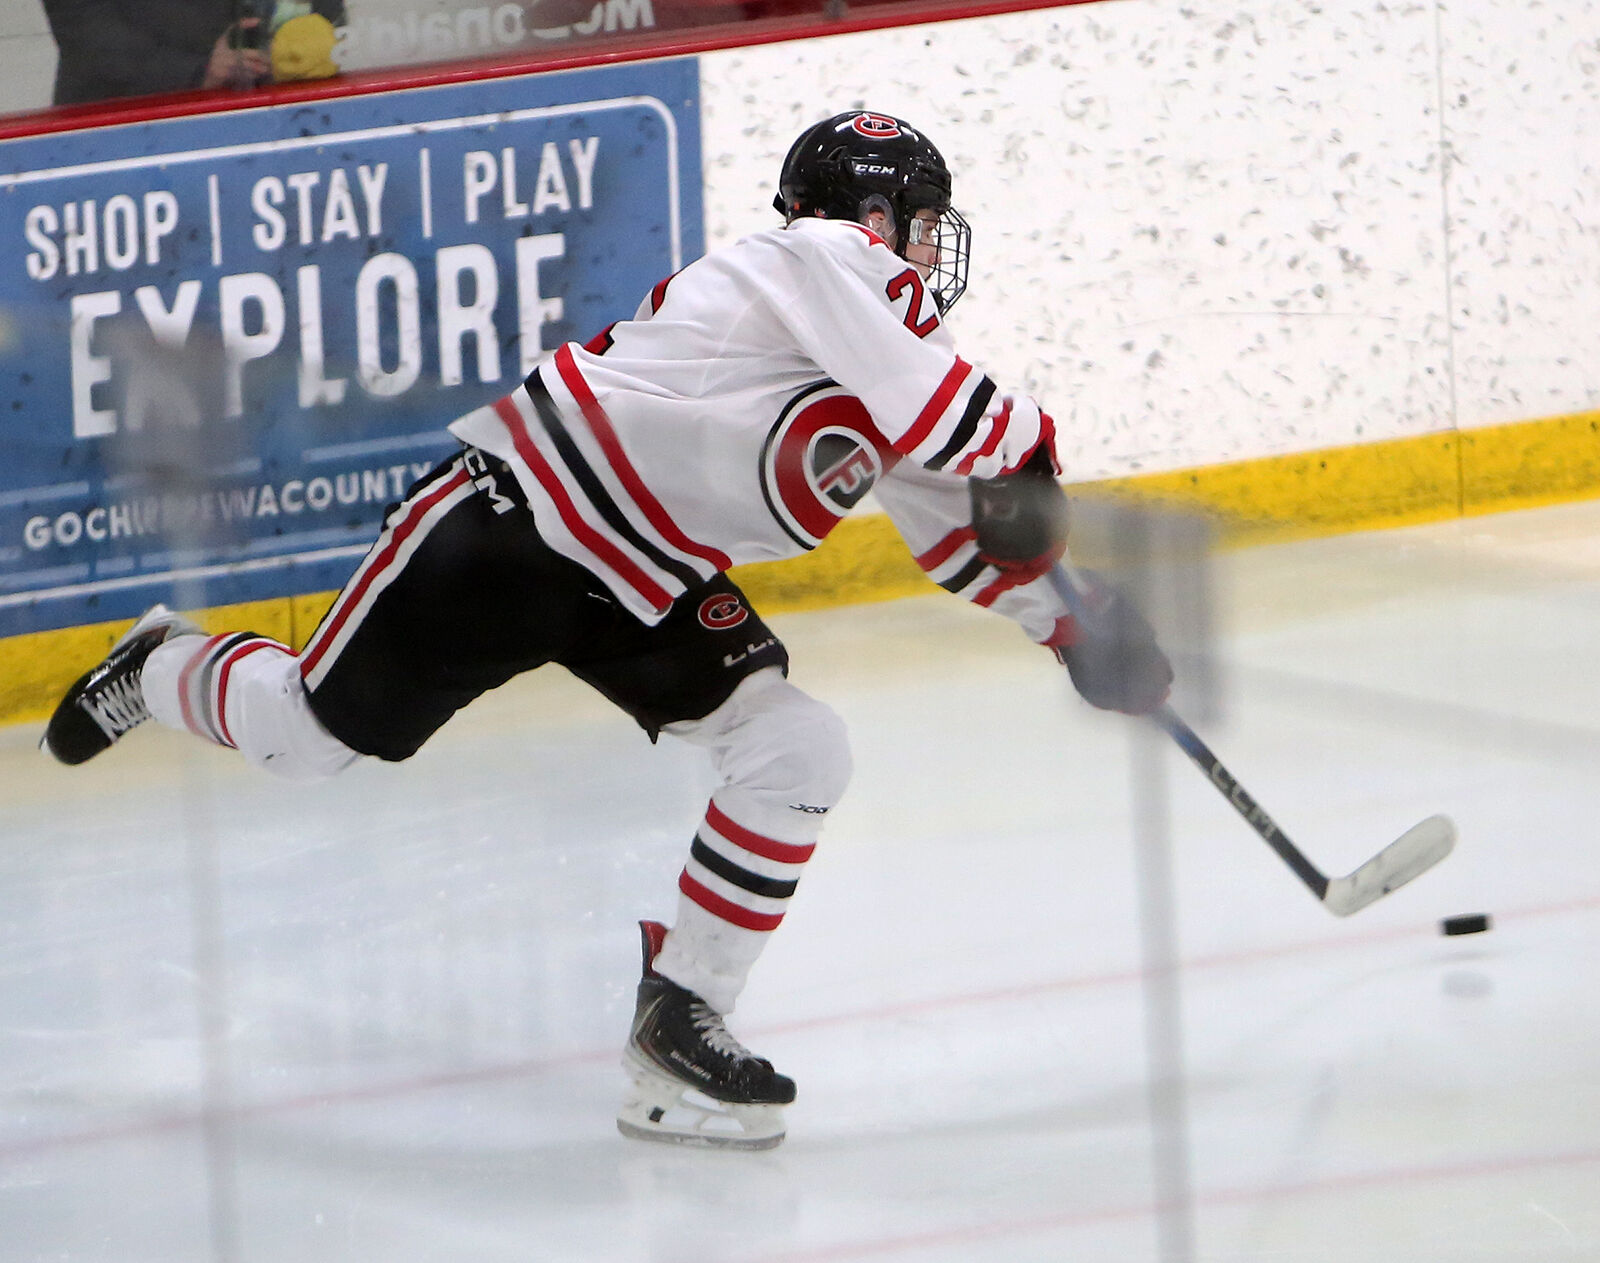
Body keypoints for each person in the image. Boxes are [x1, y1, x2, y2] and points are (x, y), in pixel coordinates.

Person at [42, 110, 1172, 1149]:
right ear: (871, 216)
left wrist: (1075, 626)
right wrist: (1028, 462)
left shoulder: (890, 348)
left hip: (645, 578)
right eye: (918, 221)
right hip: (517, 527)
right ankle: (163, 663)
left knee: (797, 747)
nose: (928, 247)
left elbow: (962, 516)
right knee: (304, 739)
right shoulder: (815, 258)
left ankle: (680, 1022)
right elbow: (970, 430)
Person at [43, 0, 343, 107]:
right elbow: (83, 30)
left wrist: (308, 45)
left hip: (277, 126)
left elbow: (326, 16)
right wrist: (199, 72)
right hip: (124, 138)